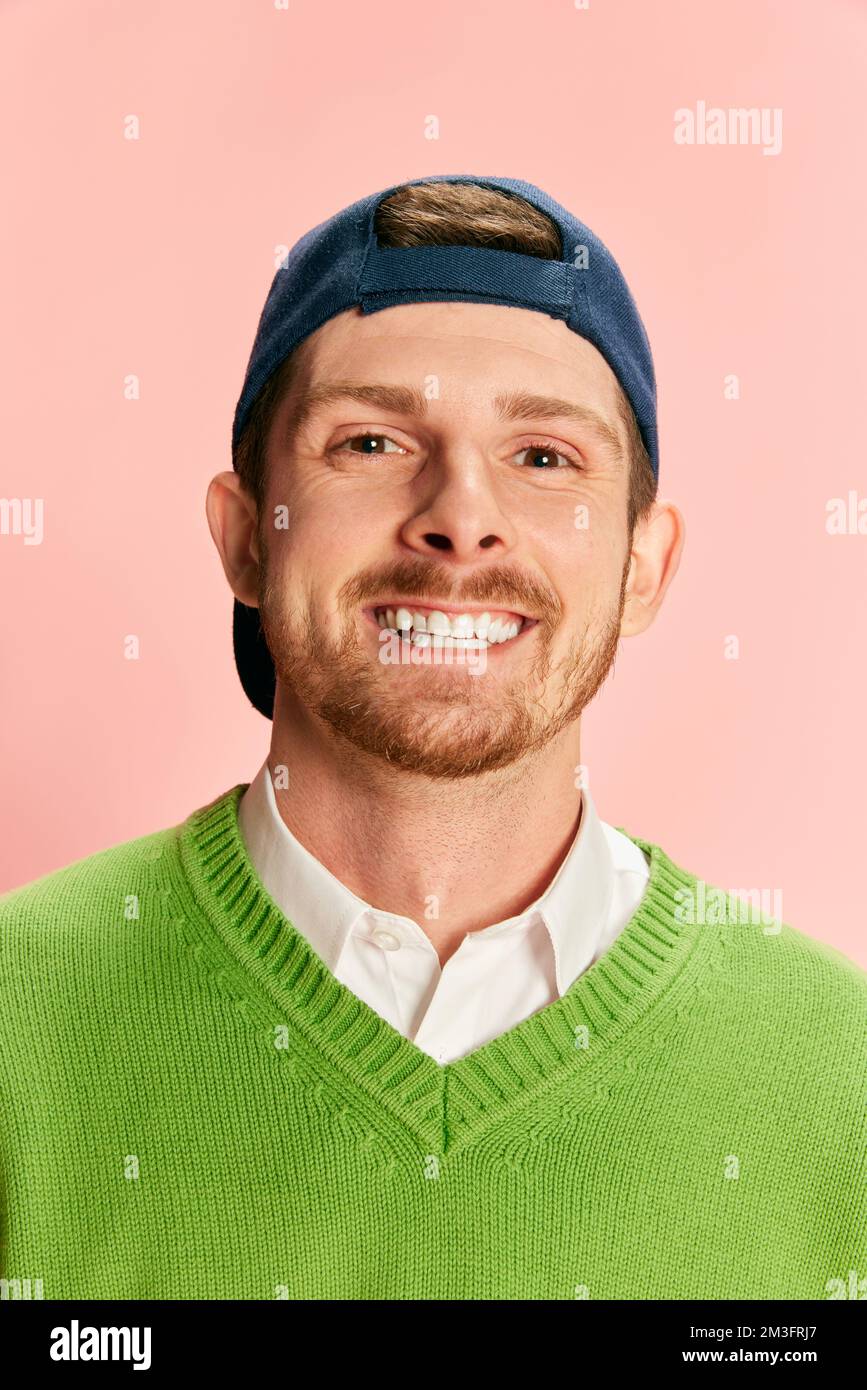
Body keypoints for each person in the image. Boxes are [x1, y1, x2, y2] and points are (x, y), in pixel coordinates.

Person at [1, 176, 863, 1302]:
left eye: (546, 457)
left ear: (643, 566)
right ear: (244, 538)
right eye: (369, 440)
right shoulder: (20, 1019)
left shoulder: (841, 1078)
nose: (460, 516)